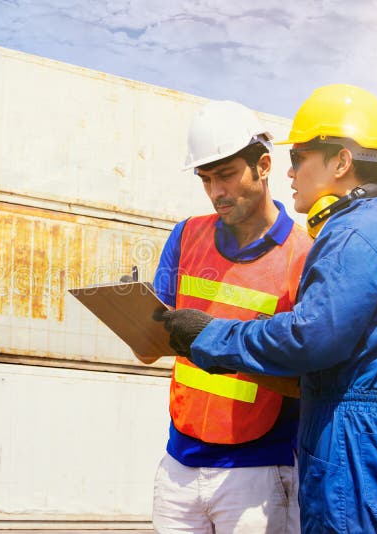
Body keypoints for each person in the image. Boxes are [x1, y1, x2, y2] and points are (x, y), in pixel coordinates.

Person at [158, 84, 377, 533]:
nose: (290, 173)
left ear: (341, 162)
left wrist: (211, 335)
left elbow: (312, 337)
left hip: (356, 445)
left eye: (299, 158)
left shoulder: (352, 236)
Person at [135, 100, 312, 533]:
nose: (216, 192)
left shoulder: (303, 255)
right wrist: (133, 316)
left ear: (264, 165)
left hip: (259, 470)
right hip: (179, 463)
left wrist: (223, 348)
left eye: (227, 175)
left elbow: (307, 381)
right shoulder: (187, 235)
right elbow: (149, 348)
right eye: (206, 179)